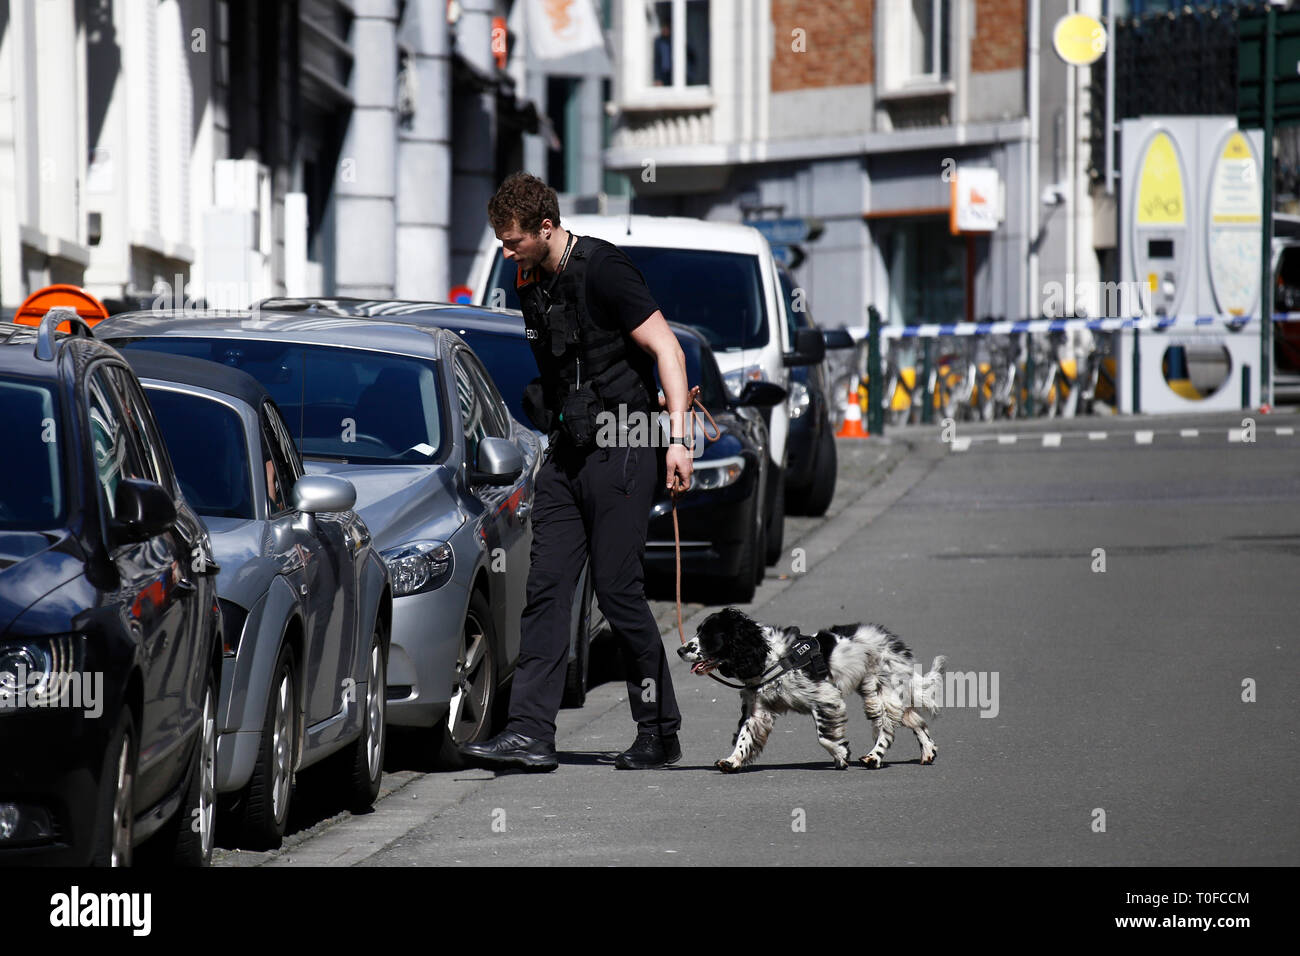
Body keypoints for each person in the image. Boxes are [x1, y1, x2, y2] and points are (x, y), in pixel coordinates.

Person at [459, 172, 693, 772]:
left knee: (618, 593)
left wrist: (678, 441)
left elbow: (668, 350)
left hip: (625, 444)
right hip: (568, 451)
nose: (505, 253)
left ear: (545, 227)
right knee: (546, 590)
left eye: (511, 242)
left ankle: (659, 728)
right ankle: (530, 734)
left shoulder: (605, 270)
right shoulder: (529, 280)